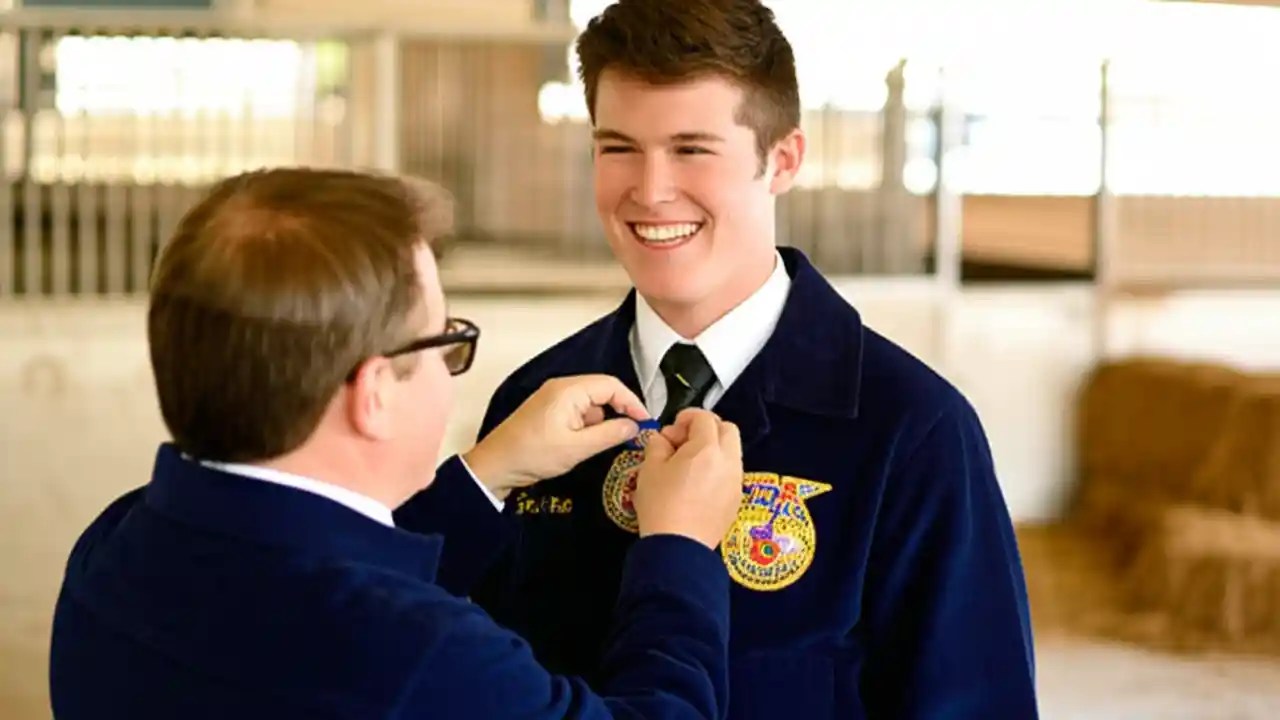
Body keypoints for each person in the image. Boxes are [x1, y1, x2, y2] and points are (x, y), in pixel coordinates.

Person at [395, 1, 1039, 717]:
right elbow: (424, 653)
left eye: (691, 149)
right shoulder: (535, 398)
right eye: (618, 148)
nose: (650, 190)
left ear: (783, 159)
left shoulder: (912, 430)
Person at [47, 167, 748, 720]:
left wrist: (484, 477)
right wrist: (678, 551)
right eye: (447, 341)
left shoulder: (112, 549)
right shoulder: (426, 657)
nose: (450, 376)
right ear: (374, 391)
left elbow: (306, 571)